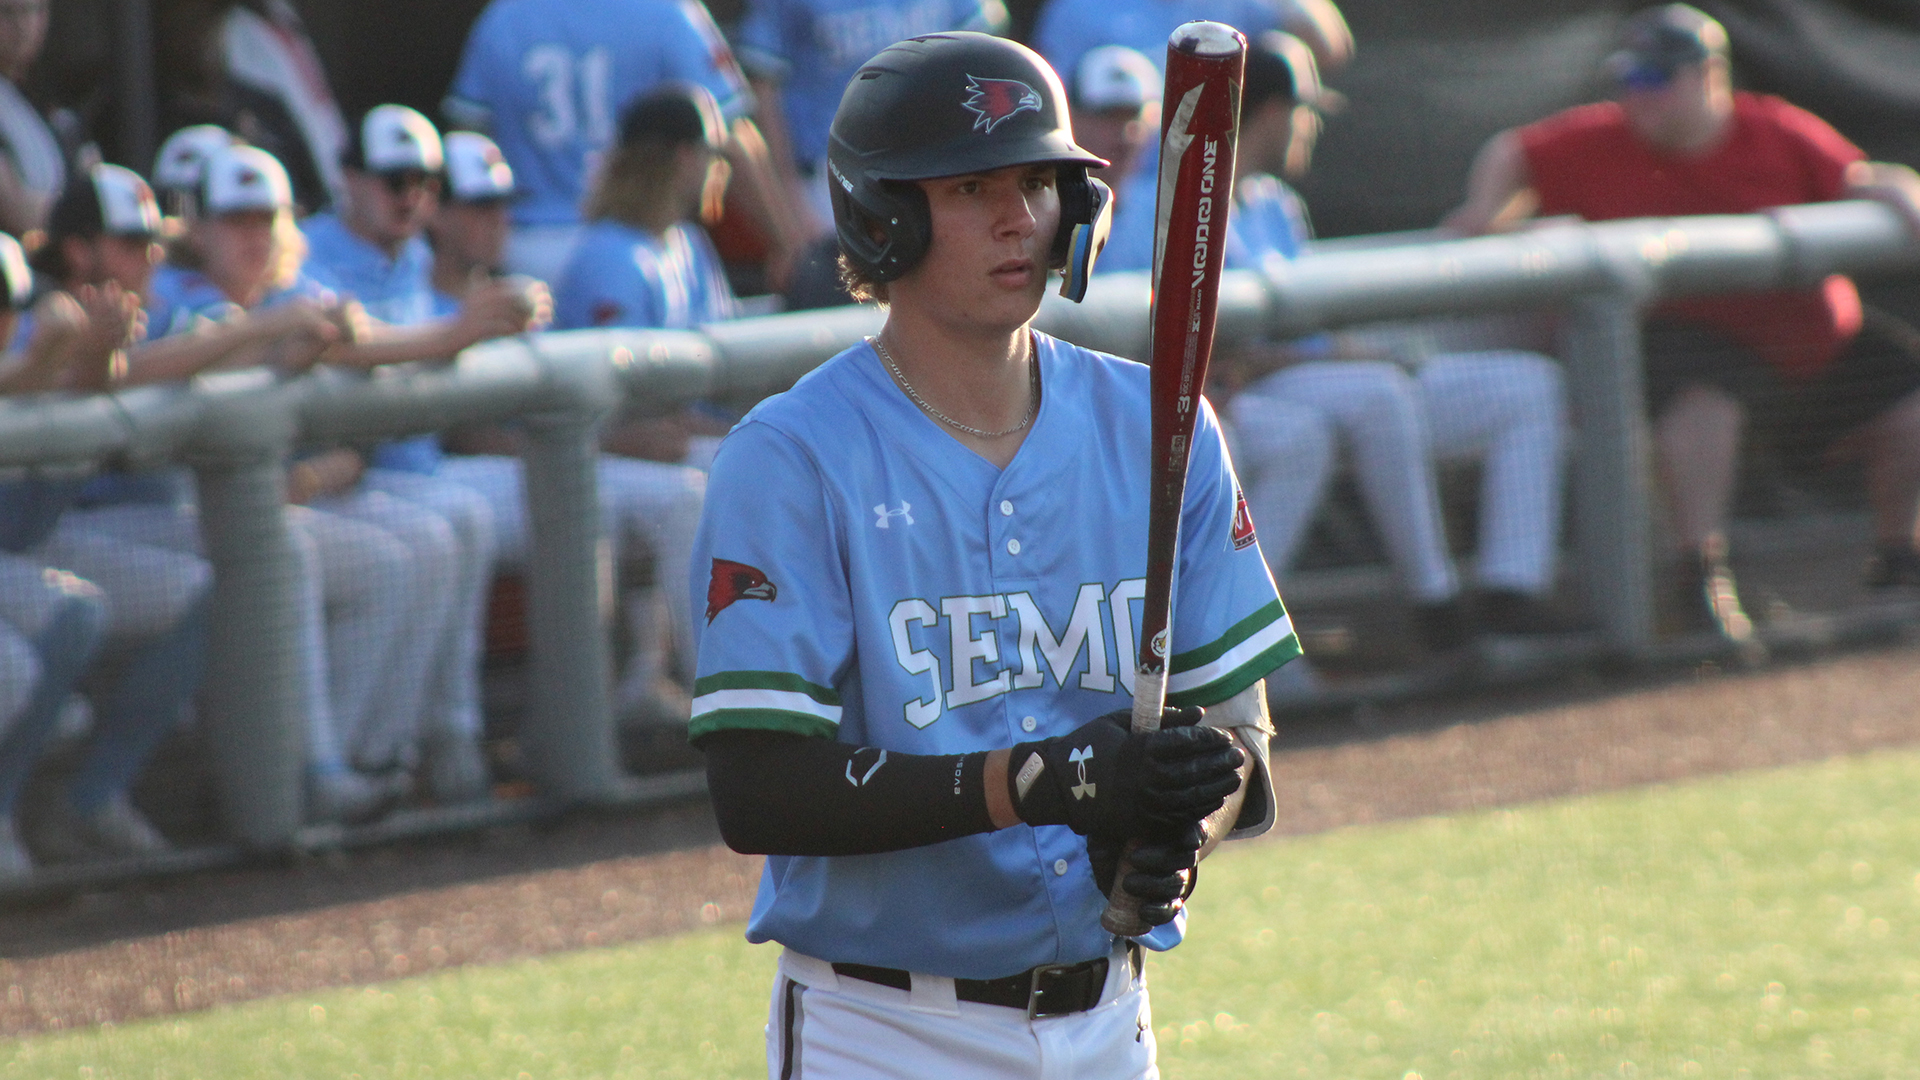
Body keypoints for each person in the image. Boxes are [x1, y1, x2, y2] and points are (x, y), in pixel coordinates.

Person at [691, 32, 1292, 1077]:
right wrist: (1039, 779)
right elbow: (760, 792)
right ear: (883, 217)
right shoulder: (791, 457)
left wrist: (1179, 826)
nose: (1019, 218)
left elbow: (1242, 737)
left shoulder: (1161, 429)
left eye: (1039, 182)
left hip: (1111, 1023)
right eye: (971, 187)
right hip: (881, 1034)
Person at [1443, 3, 1920, 644]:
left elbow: (1862, 178)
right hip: (1688, 342)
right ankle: (1697, 575)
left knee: (1908, 397)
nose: (1636, 98)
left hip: (1810, 352)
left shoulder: (1774, 129)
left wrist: (1901, 200)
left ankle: (1899, 557)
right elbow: (1512, 151)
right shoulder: (1597, 139)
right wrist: (1487, 210)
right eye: (1629, 81)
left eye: (1655, 81)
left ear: (1708, 76)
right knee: (1703, 388)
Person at [1216, 34, 1574, 665]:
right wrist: (1341, 358)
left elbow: (1313, 327)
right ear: (1273, 113)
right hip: (1265, 394)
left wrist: (1351, 351)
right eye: (1307, 115)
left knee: (1528, 386)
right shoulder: (1194, 202)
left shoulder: (1277, 203)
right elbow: (1226, 356)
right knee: (1378, 393)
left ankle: (1509, 597)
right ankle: (1434, 605)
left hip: (1323, 379)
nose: (1311, 129)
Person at [299, 108, 552, 800]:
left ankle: (424, 741)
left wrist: (491, 316)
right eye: (391, 180)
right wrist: (454, 334)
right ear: (349, 179)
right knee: (439, 533)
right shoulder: (305, 251)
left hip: (395, 476)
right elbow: (333, 344)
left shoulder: (410, 254)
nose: (408, 195)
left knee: (464, 520)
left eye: (423, 181)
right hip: (322, 483)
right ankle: (369, 754)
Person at [426, 120, 709, 725]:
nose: (497, 220)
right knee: (585, 501)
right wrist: (610, 444)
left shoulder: (516, 294)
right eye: (478, 207)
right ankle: (569, 717)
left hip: (536, 465)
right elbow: (464, 434)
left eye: (502, 206)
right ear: (436, 213)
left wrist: (608, 444)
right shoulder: (419, 299)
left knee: (680, 497)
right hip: (461, 477)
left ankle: (664, 687)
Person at [0, 229, 214, 872]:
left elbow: (20, 526)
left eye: (6, 304)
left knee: (91, 612)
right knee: (25, 671)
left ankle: (82, 800)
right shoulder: (29, 360)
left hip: (18, 555)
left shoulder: (30, 355)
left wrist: (88, 357)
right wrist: (53, 360)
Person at [443, 0, 809, 287]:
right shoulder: (668, 12)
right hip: (637, 248)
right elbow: (732, 135)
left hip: (528, 254)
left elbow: (465, 147)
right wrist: (787, 245)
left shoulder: (504, 17)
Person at [733, 0, 1007, 228]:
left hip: (942, 165)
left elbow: (983, 58)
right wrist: (790, 202)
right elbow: (764, 85)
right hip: (834, 181)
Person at [1033, 0, 1353, 103]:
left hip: (1219, 178)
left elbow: (1329, 47)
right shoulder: (1080, 9)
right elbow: (1053, 104)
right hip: (1122, 190)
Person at [1066, 44, 1162, 275]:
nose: (1124, 134)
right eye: (1108, 116)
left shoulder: (1167, 212)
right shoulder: (1046, 211)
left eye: (1134, 116)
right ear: (1072, 119)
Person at [0, 0, 62, 234]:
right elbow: (18, 212)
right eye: (7, 12)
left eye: (31, 10)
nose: (21, 25)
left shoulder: (50, 96)